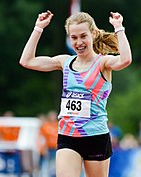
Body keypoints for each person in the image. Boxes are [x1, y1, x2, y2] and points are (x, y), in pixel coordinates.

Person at [19, 10, 132, 177]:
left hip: (95, 136)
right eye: (74, 37)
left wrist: (119, 28)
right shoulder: (65, 61)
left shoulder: (103, 63)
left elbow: (125, 60)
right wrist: (38, 28)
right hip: (68, 135)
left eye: (83, 36)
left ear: (93, 34)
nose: (79, 42)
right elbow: (26, 61)